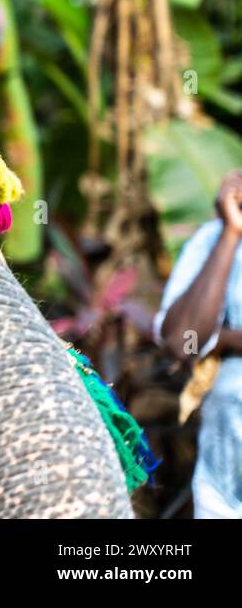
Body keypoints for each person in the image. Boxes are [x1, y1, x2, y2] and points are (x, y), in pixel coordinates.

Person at [155, 169, 242, 518]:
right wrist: (230, 233)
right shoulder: (213, 240)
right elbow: (183, 341)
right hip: (223, 487)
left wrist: (223, 340)